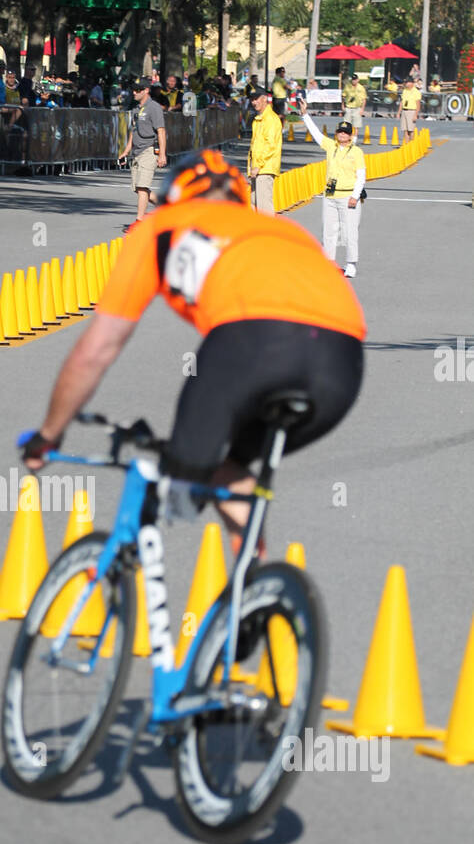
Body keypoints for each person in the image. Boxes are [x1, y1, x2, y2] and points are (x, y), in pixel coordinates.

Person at [20, 149, 365, 557]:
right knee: (228, 467)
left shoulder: (162, 227)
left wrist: (49, 434)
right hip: (343, 360)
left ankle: (164, 535)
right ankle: (256, 590)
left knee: (187, 470)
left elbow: (96, 350)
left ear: (174, 195)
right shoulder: (284, 231)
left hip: (254, 341)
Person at [298, 98, 366, 279]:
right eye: (340, 132)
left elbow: (361, 176)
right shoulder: (331, 146)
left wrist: (355, 196)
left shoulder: (356, 152)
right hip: (330, 195)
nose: (342, 135)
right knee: (329, 231)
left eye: (346, 133)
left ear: (351, 135)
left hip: (348, 196)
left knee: (350, 231)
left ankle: (351, 264)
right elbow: (316, 134)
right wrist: (305, 115)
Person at [120, 76, 167, 223]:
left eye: (138, 90)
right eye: (133, 90)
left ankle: (139, 221)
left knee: (142, 187)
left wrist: (162, 155)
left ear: (146, 90)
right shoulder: (136, 108)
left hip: (149, 149)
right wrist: (126, 151)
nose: (134, 92)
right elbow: (133, 131)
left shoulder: (154, 108)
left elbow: (161, 131)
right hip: (137, 151)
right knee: (138, 188)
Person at [247, 86, 282, 215]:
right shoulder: (258, 119)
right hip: (257, 168)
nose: (254, 102)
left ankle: (268, 234)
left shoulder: (271, 119)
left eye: (256, 99)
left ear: (265, 99)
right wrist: (251, 167)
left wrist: (258, 166)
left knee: (264, 209)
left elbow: (270, 145)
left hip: (264, 168)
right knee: (254, 206)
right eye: (252, 99)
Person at [341, 72, 367, 142]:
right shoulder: (347, 86)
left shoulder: (361, 88)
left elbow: (364, 99)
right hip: (349, 107)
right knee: (346, 124)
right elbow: (343, 96)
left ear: (358, 80)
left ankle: (354, 140)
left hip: (357, 108)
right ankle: (346, 139)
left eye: (355, 79)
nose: (354, 81)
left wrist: (362, 109)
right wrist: (343, 106)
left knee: (356, 125)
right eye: (353, 79)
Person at [397, 77, 421, 144]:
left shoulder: (416, 92)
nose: (406, 84)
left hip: (412, 111)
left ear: (411, 83)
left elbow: (418, 104)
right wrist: (399, 112)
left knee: (411, 130)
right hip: (404, 111)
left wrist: (415, 115)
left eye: (407, 82)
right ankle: (406, 144)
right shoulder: (405, 90)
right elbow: (402, 102)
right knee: (405, 129)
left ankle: (411, 144)